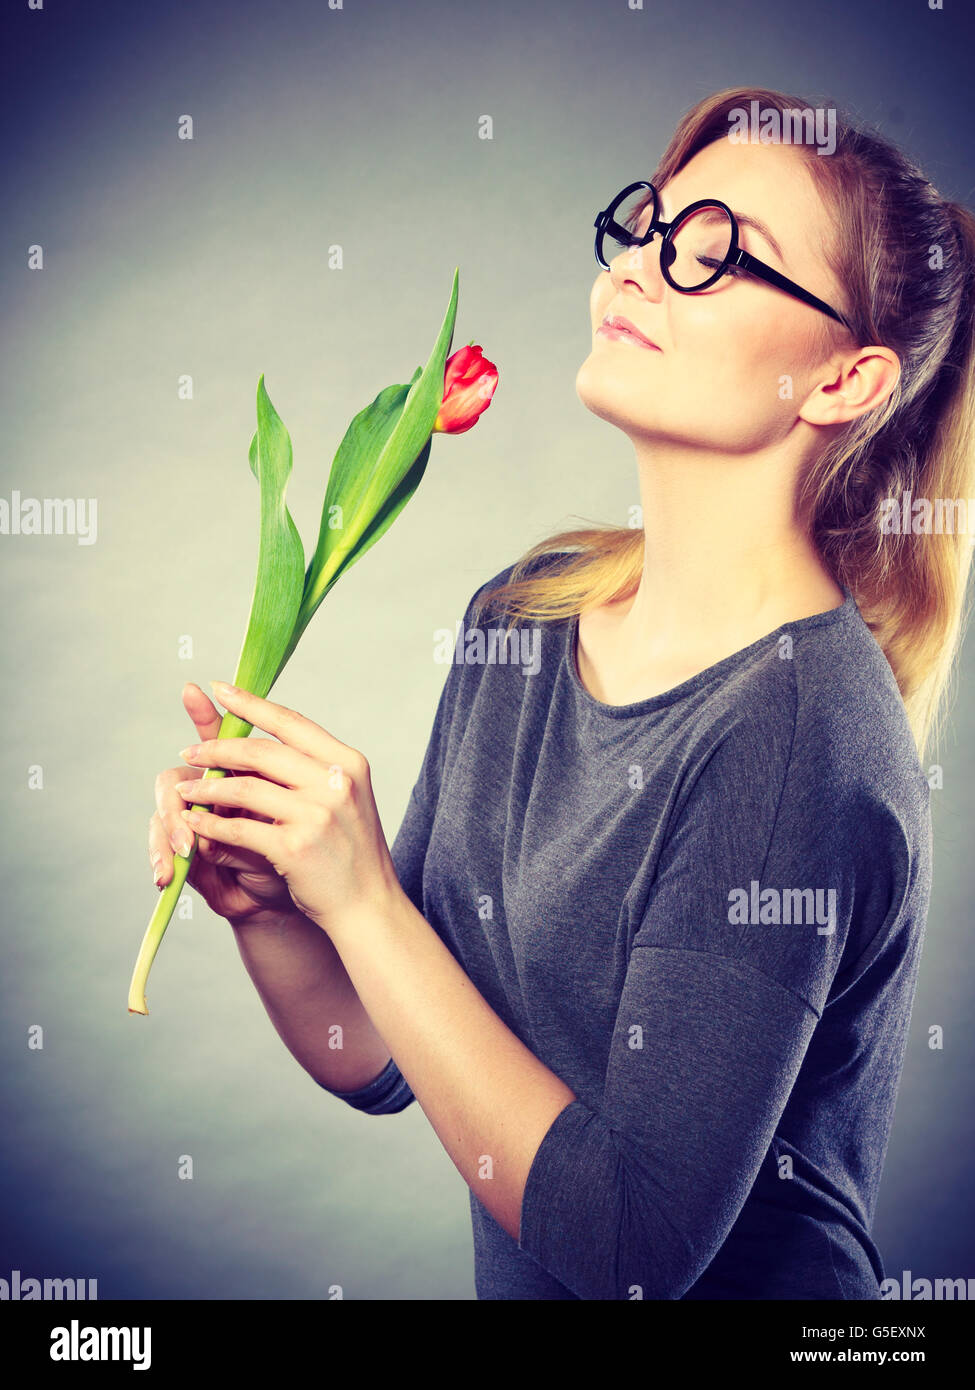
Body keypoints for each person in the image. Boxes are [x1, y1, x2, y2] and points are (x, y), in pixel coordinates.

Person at [147, 86, 975, 1299]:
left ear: (844, 381)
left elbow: (629, 1246)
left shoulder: (800, 739)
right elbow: (385, 1052)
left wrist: (368, 900)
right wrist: (277, 907)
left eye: (718, 254)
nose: (643, 267)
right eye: (650, 228)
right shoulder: (525, 618)